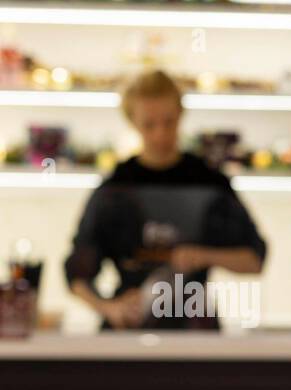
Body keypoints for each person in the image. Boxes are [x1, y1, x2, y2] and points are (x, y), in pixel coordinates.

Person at [64, 70, 266, 330]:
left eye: (168, 122)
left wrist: (206, 255)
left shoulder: (210, 183)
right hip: (129, 330)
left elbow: (255, 259)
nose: (160, 134)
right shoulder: (115, 188)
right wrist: (109, 307)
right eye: (149, 124)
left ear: (181, 115)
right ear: (133, 122)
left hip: (195, 330)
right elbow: (76, 273)